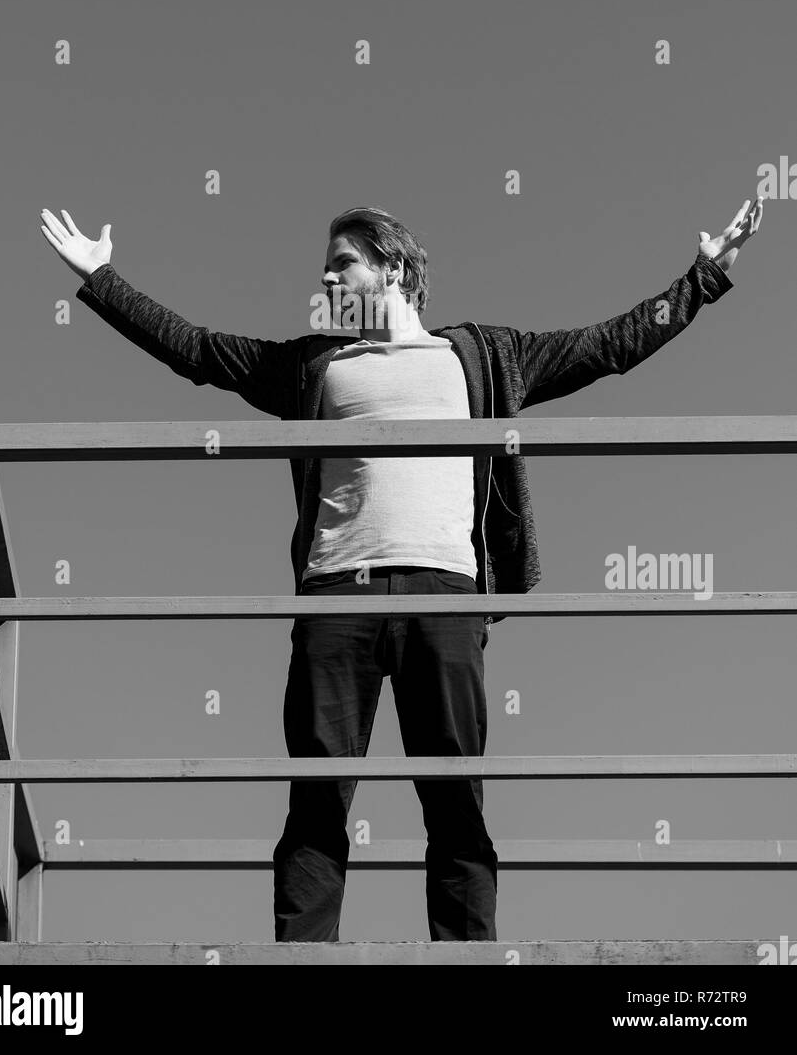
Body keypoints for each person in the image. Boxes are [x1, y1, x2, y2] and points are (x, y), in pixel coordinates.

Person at [39, 194, 763, 940]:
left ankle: (466, 960)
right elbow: (195, 351)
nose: (325, 275)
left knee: (456, 803)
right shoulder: (313, 364)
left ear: (392, 267)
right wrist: (102, 277)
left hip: (443, 600)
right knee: (316, 803)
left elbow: (606, 346)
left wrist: (702, 277)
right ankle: (301, 963)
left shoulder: (482, 355)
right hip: (335, 604)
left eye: (341, 261)